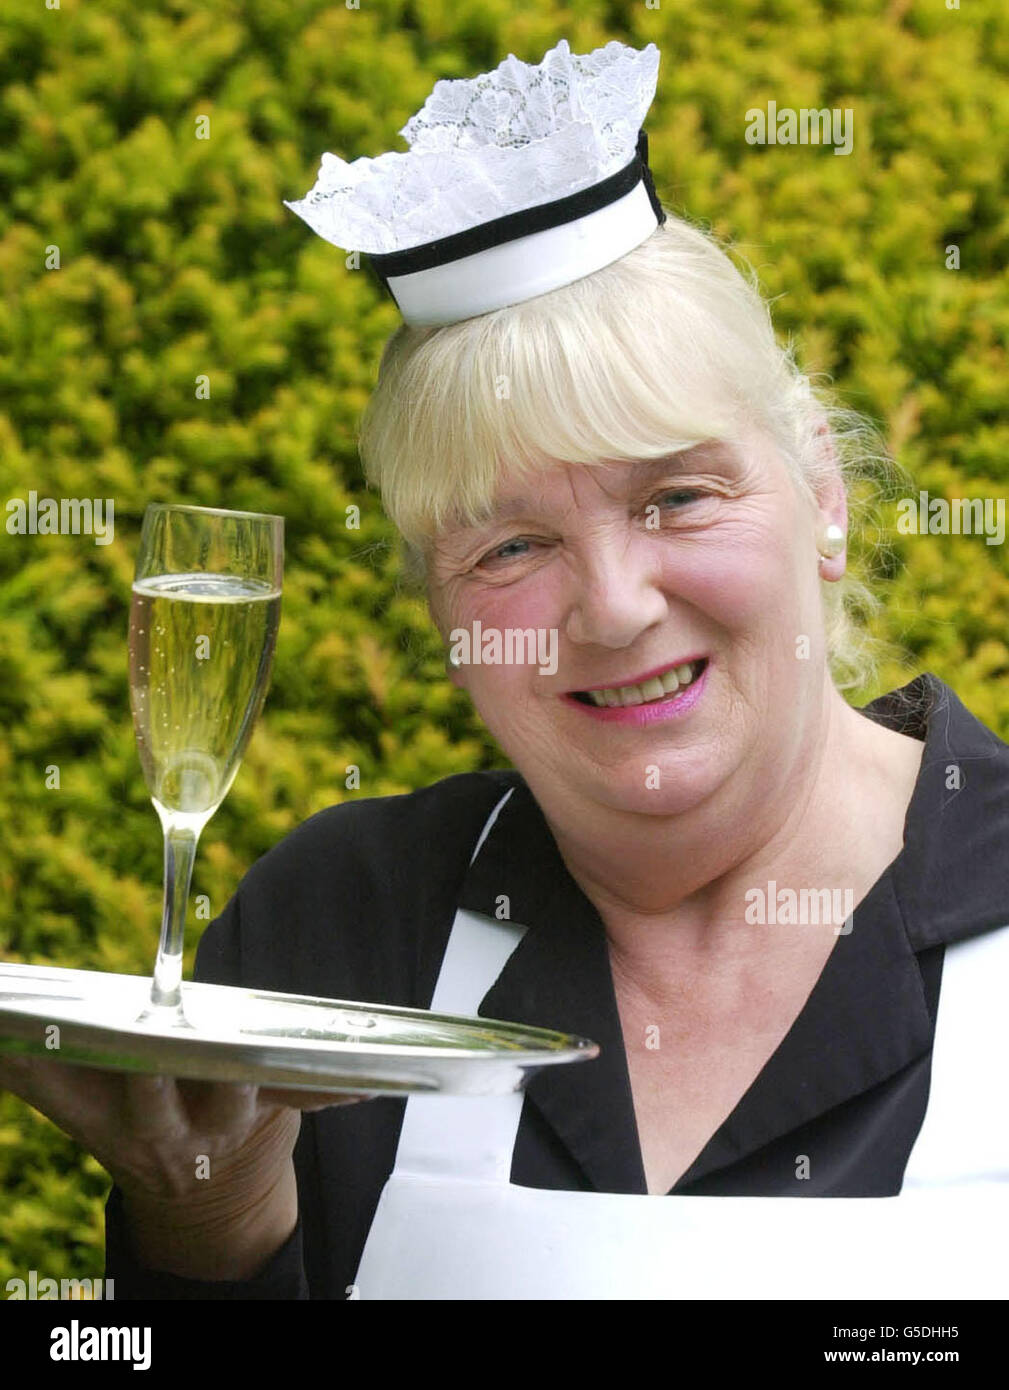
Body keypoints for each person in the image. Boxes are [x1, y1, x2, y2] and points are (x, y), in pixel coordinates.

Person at [2, 38, 1007, 1301]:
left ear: (822, 492)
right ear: (436, 599)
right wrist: (214, 1225)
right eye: (513, 543)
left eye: (678, 496)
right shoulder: (337, 930)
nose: (614, 606)